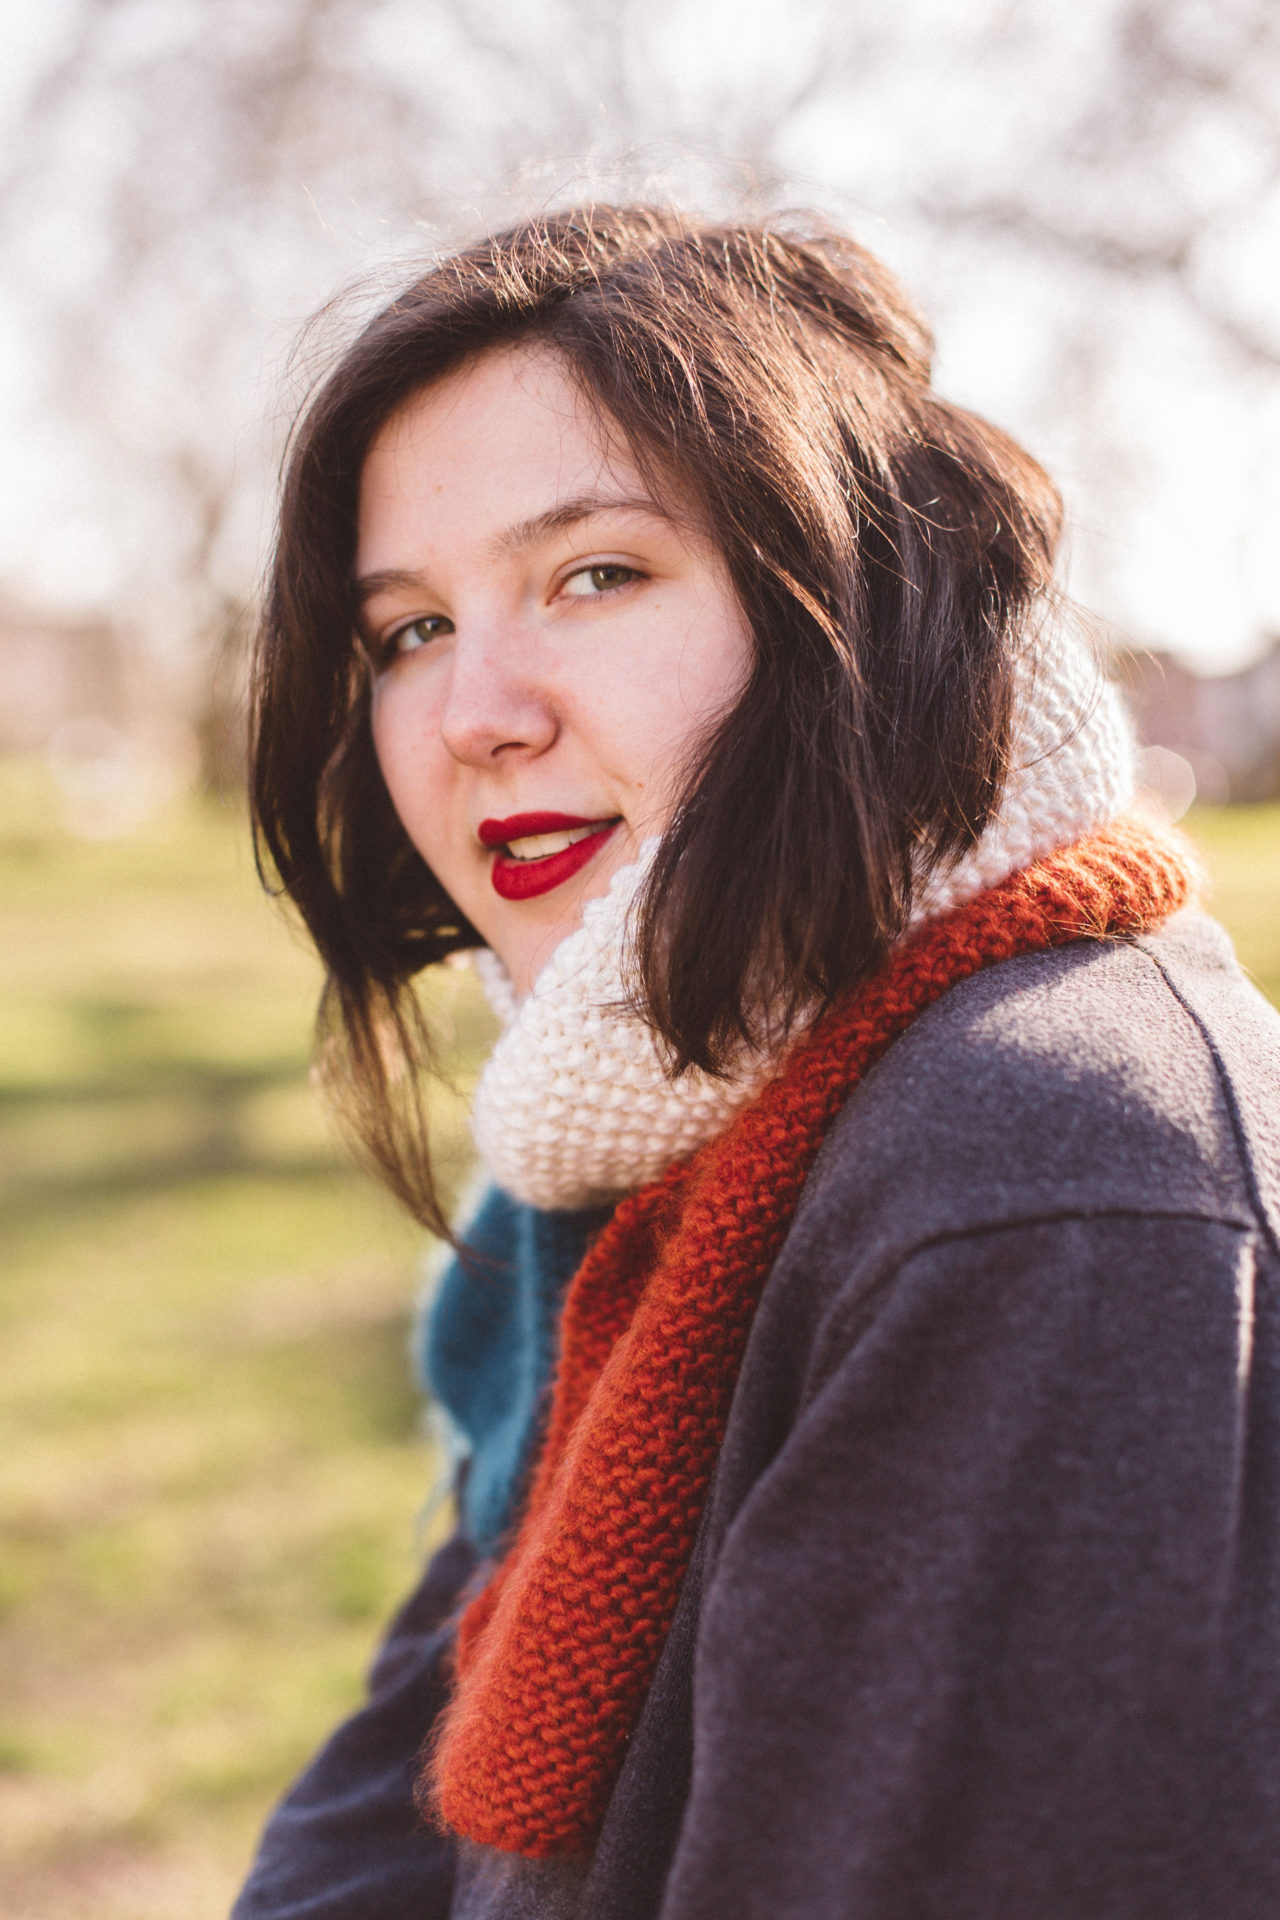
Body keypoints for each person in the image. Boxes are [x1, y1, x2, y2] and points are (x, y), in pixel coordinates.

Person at [233, 206, 1280, 1920]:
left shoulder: (1043, 1179)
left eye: (595, 574)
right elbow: (378, 1822)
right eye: (409, 628)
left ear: (852, 604)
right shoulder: (636, 1122)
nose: (470, 711)